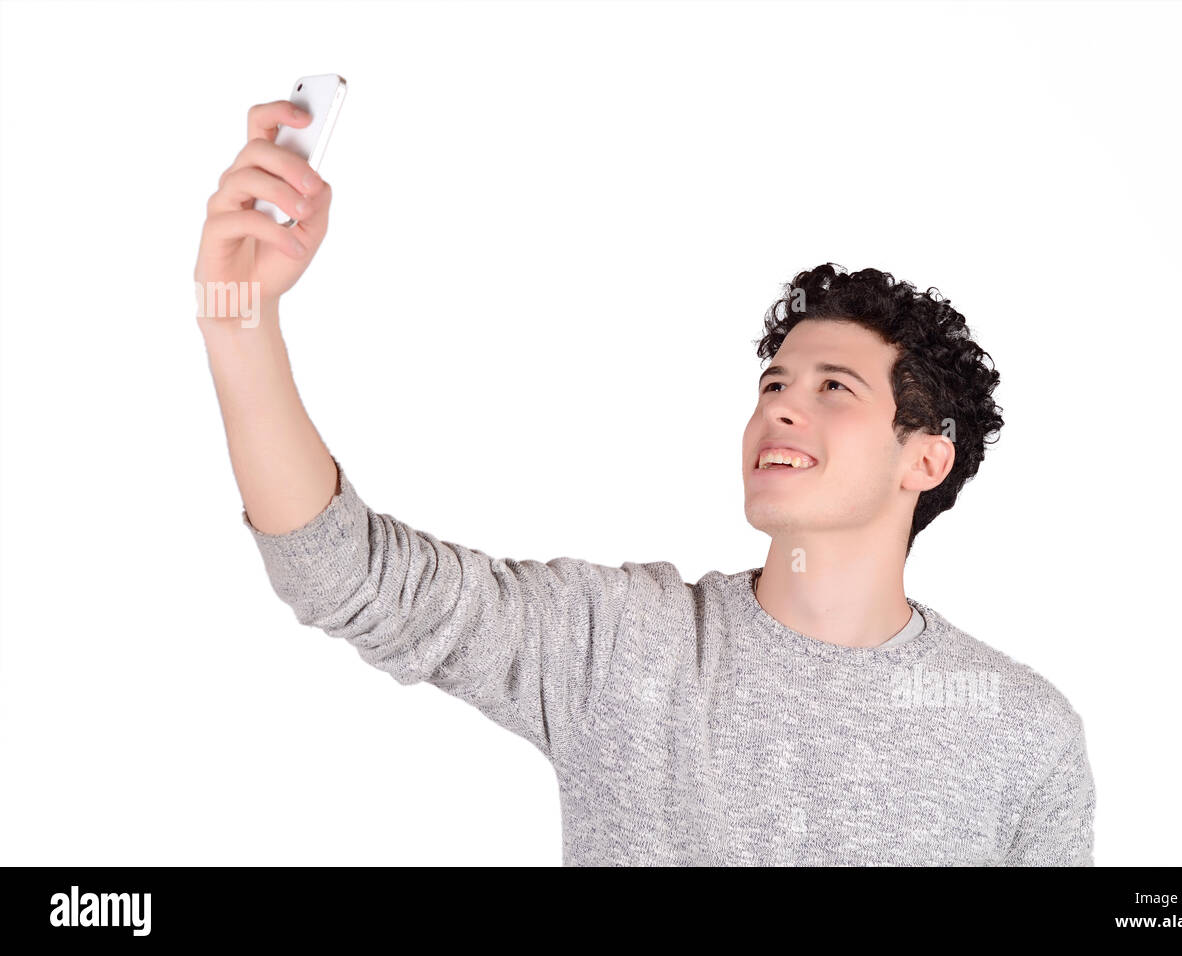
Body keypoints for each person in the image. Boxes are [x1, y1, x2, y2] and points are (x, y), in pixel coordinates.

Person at [196, 98, 1096, 866]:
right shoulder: (622, 648)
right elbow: (342, 574)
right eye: (773, 385)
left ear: (924, 460)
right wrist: (239, 322)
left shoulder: (1022, 733)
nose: (781, 409)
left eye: (834, 389)